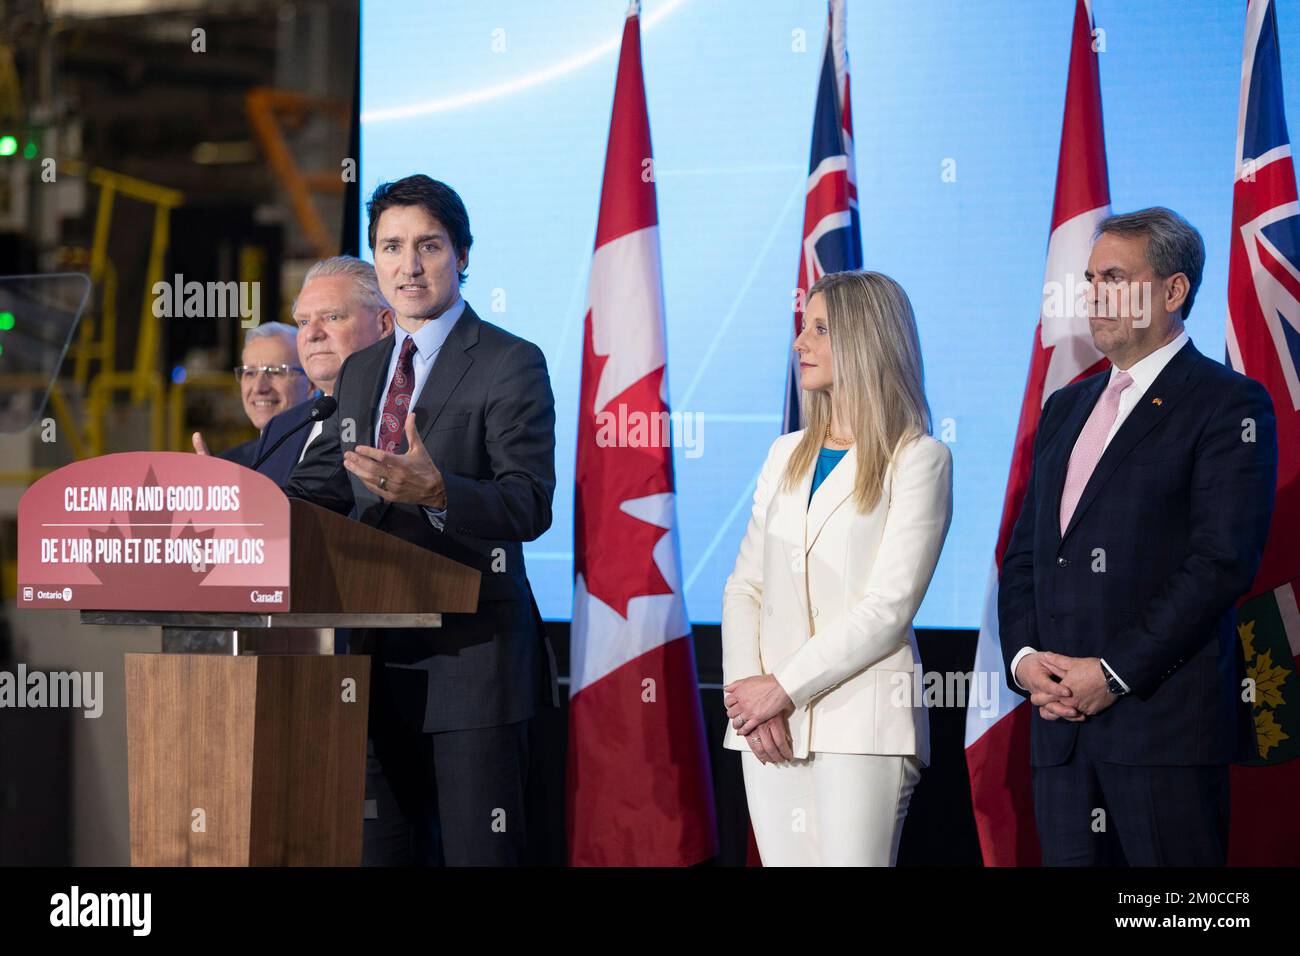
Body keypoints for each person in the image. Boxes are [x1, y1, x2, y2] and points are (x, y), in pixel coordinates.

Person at [284, 174, 558, 866]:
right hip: (372, 665)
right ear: (376, 260)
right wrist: (233, 504)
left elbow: (529, 503)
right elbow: (318, 495)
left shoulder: (509, 362)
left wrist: (439, 493)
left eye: (428, 246)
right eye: (392, 246)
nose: (409, 265)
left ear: (461, 254)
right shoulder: (361, 371)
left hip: (474, 665)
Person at [998, 207, 1278, 866]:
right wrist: (1024, 661)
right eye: (1090, 278)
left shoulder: (1227, 405)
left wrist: (1114, 673)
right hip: (1059, 733)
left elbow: (1219, 565)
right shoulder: (1066, 406)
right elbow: (1025, 558)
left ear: (1173, 292)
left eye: (1114, 278)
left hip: (1162, 734)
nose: (1093, 294)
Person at [721, 270, 953, 866]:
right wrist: (752, 701)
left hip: (861, 723)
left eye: (820, 329)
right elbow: (745, 585)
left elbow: (889, 608)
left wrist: (782, 688)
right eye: (804, 328)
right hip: (769, 726)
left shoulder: (920, 460)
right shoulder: (784, 453)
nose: (800, 343)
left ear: (867, 340)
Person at [248, 256, 394, 484]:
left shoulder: (404, 414)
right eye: (303, 322)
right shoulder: (281, 428)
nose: (312, 334)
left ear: (384, 324)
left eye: (332, 317)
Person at [202, 322, 309, 466]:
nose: (259, 387)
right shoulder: (228, 465)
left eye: (275, 372)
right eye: (250, 373)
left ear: (311, 383)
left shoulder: (334, 459)